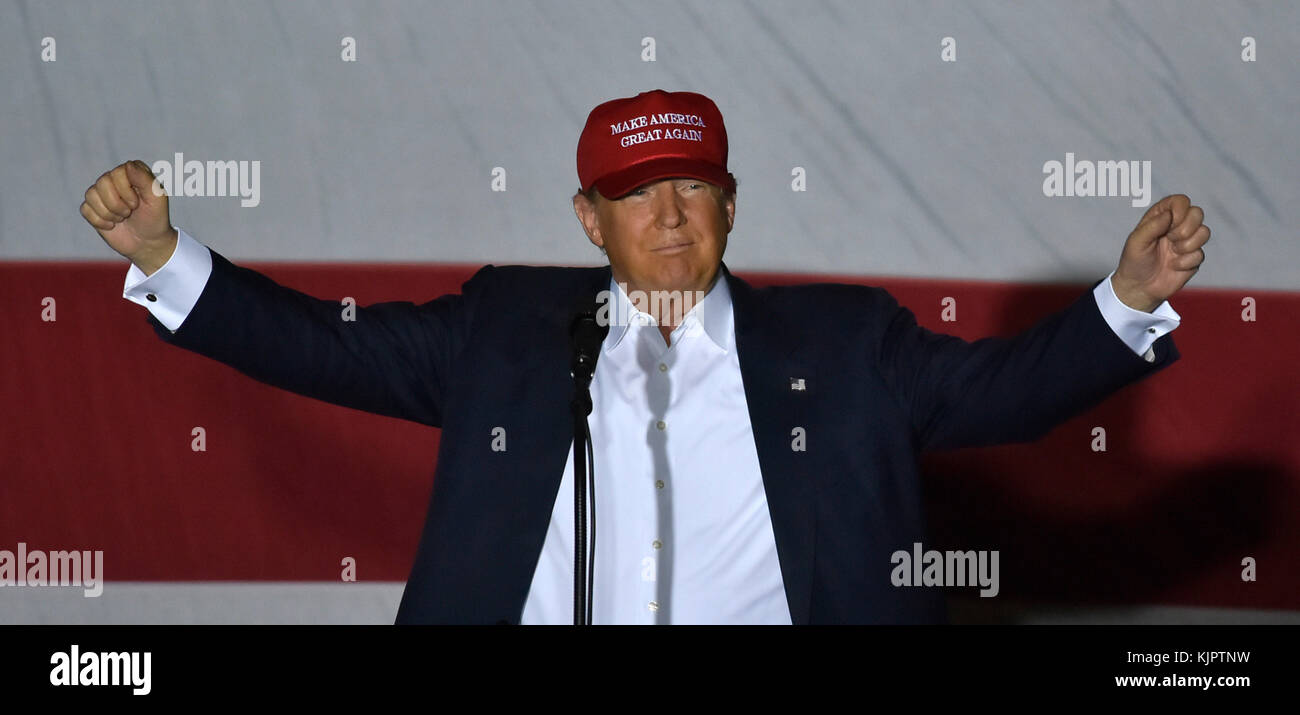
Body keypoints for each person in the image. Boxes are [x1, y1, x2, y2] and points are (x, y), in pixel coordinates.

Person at [79, 89, 1208, 624]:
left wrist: (1126, 297)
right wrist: (167, 254)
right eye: (634, 196)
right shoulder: (502, 331)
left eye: (691, 189)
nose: (667, 217)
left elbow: (1004, 395)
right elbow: (320, 350)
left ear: (730, 203)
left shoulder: (847, 343)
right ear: (588, 219)